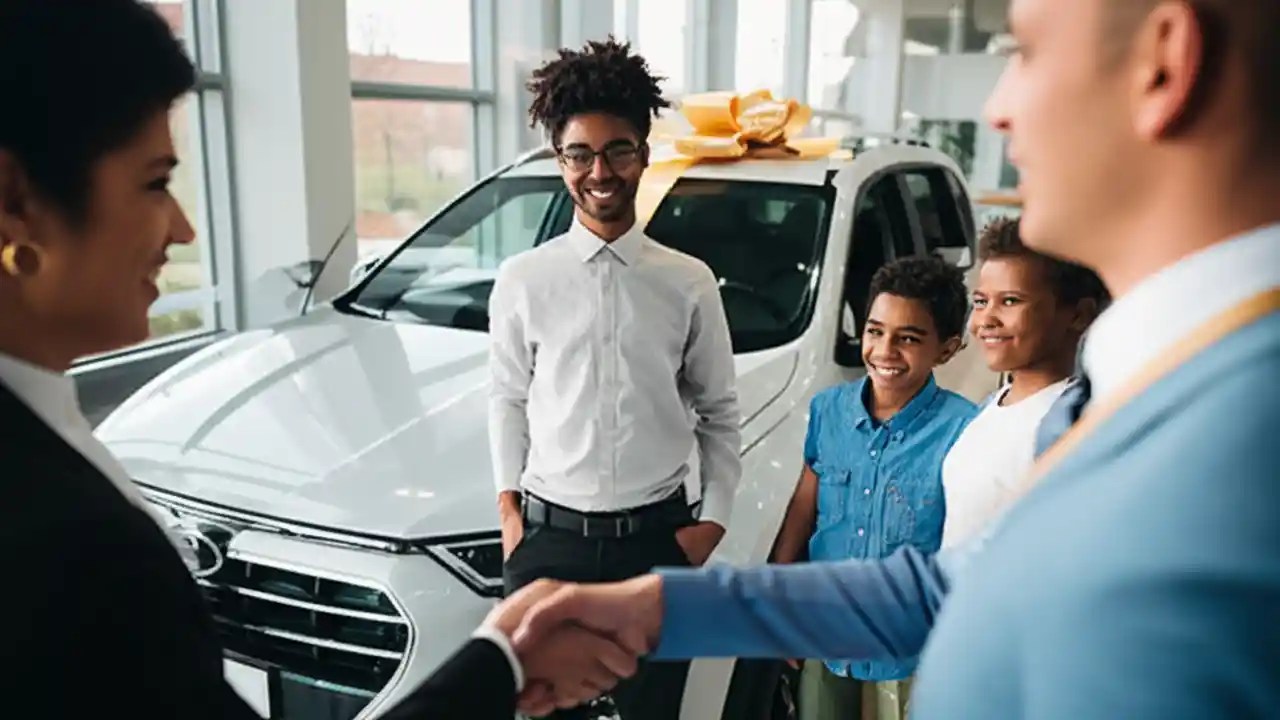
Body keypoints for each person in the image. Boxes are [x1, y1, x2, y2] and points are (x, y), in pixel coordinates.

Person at [498, 0, 1280, 717]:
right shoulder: (1131, 375)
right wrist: (662, 609)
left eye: (1027, 52)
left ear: (1165, 61)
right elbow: (960, 582)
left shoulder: (1245, 447)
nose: (998, 109)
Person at [0, 3, 634, 718]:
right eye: (154, 182)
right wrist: (503, 666)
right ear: (16, 198)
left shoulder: (44, 447)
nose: (182, 227)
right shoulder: (54, 537)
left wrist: (499, 664)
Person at [487, 37, 741, 719]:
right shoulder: (523, 280)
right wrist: (511, 514)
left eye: (617, 150)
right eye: (580, 153)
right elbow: (508, 398)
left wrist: (709, 524)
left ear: (644, 155)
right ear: (560, 161)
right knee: (539, 711)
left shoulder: (687, 282)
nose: (600, 170)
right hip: (548, 542)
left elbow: (719, 412)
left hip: (658, 543)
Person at [770, 257, 977, 720]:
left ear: (946, 349)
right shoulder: (830, 410)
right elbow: (806, 503)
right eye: (875, 331)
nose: (885, 350)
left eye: (908, 338)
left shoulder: (964, 429)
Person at [939, 217, 1108, 549]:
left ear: (1078, 314)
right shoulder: (998, 401)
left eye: (1010, 301)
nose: (986, 319)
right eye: (981, 301)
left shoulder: (1068, 426)